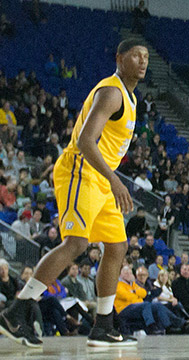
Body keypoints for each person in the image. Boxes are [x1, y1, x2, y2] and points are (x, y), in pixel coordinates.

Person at [0, 40, 148, 348]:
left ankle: (104, 325)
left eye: (146, 56)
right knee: (77, 243)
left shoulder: (131, 97)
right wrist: (116, 180)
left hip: (100, 177)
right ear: (120, 58)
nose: (142, 61)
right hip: (80, 170)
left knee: (117, 246)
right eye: (136, 55)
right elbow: (85, 140)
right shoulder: (112, 92)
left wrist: (110, 180)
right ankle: (17, 310)